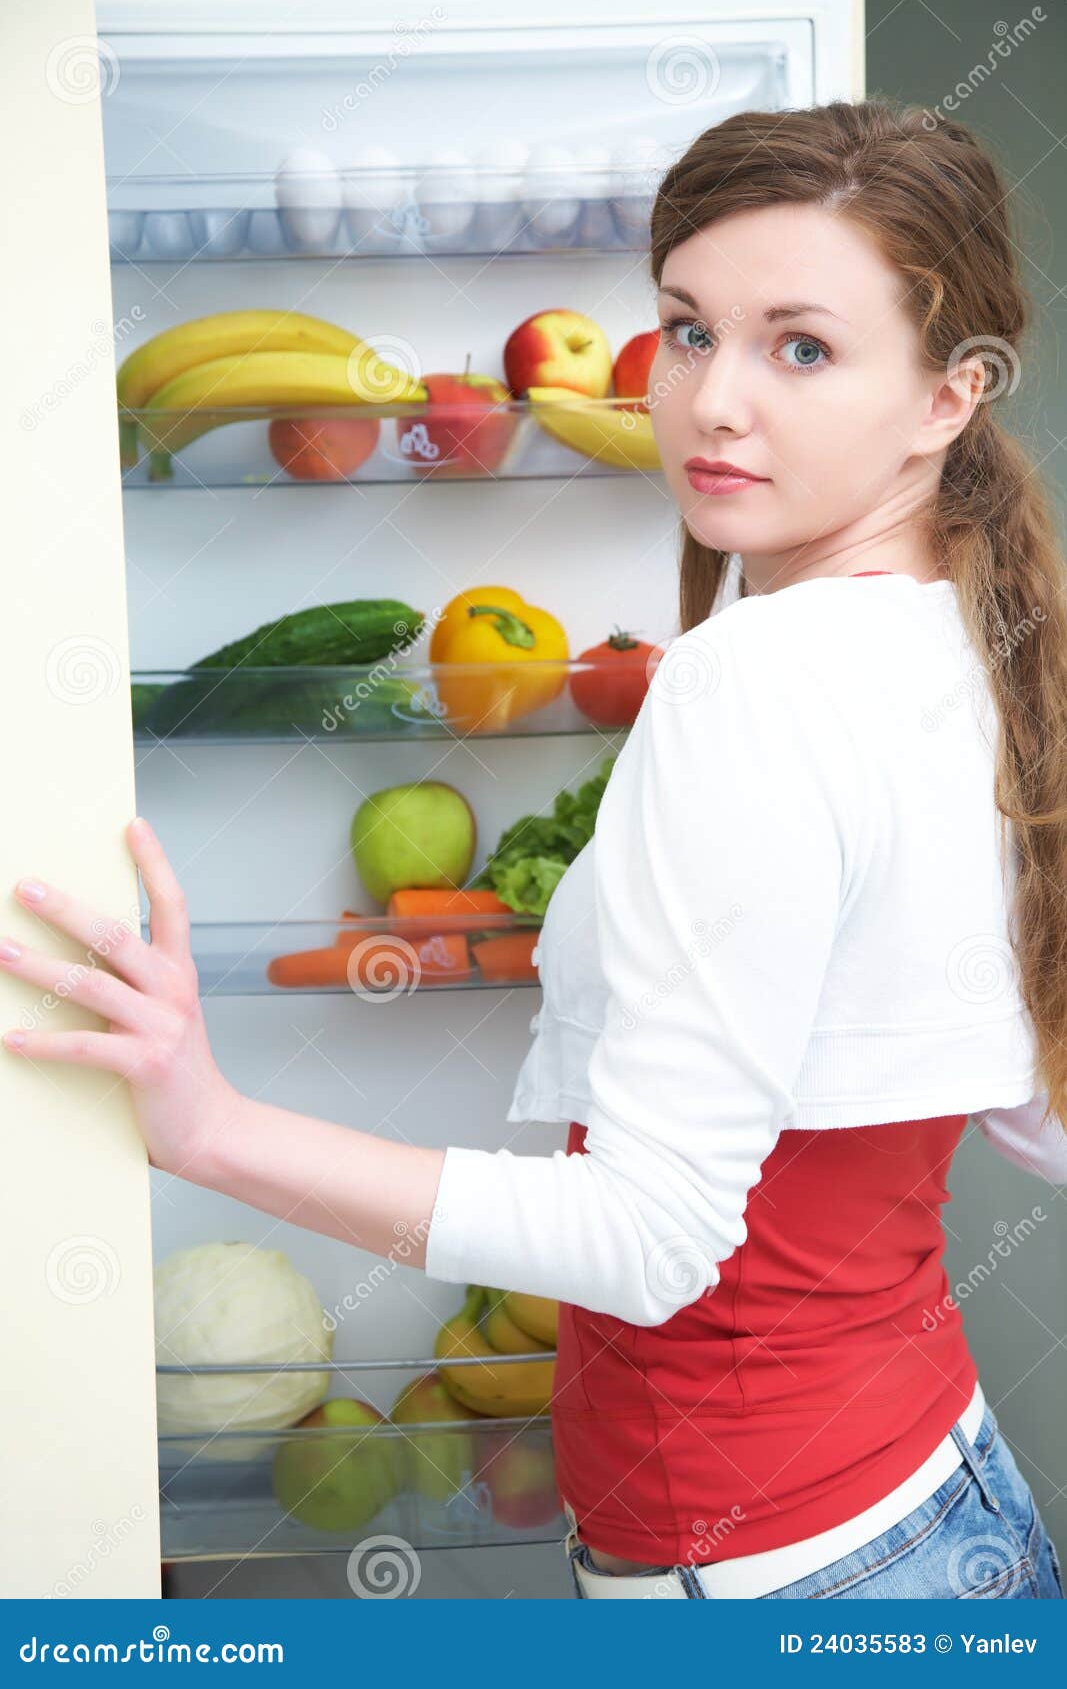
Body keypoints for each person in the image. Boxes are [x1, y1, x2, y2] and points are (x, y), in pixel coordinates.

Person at [2, 95, 1066, 1600]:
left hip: (770, 1564)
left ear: (950, 397)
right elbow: (1028, 1098)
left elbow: (648, 1241)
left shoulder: (751, 682)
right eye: (689, 330)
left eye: (803, 346)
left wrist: (210, 1128)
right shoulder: (974, 636)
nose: (712, 400)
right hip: (930, 1499)